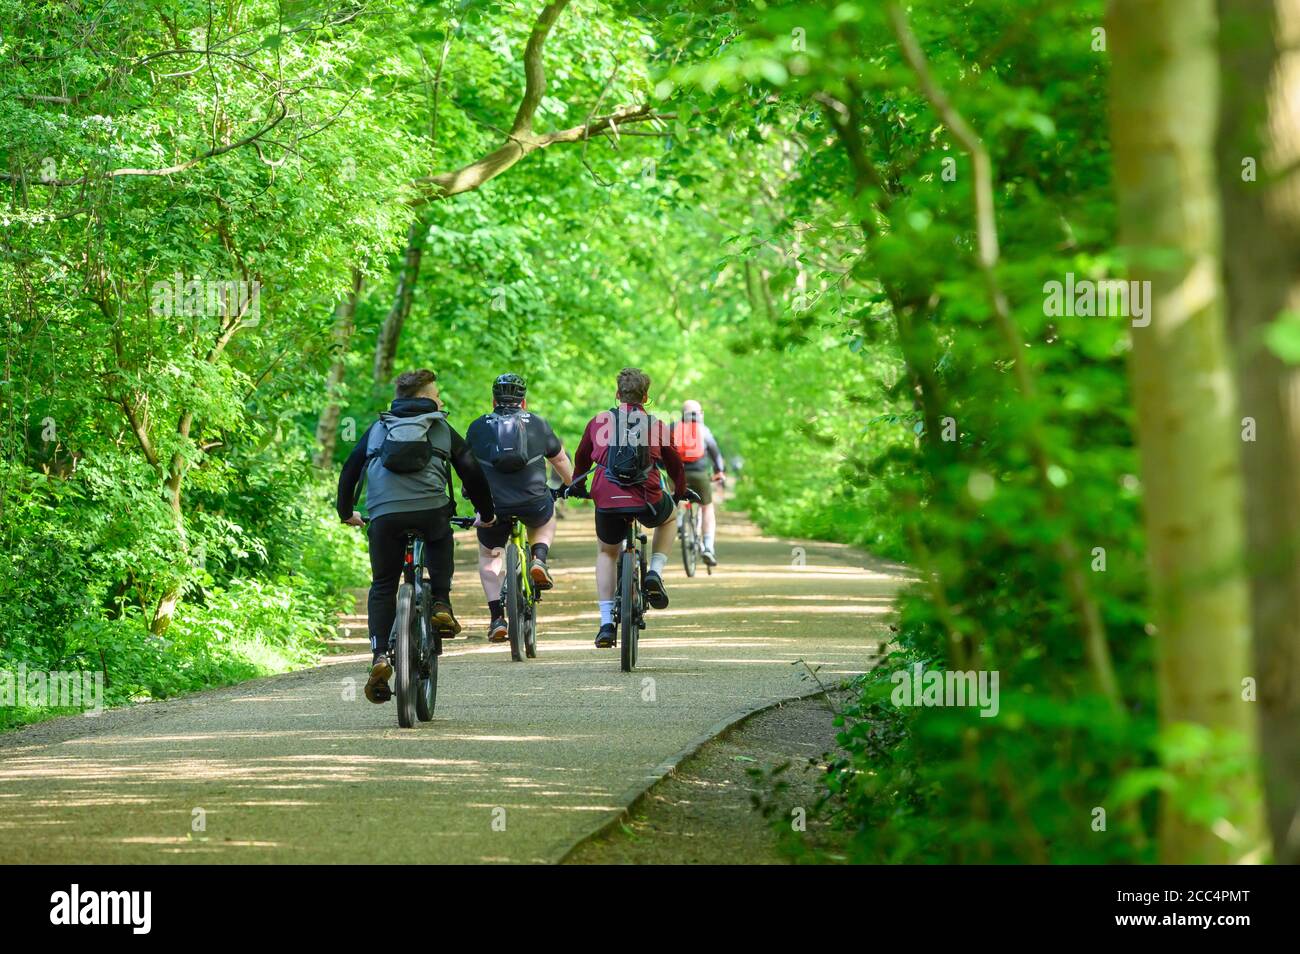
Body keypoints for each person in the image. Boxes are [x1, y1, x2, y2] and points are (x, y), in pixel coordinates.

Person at [337, 369, 496, 704]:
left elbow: (350, 468)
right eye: (436, 394)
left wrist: (346, 511)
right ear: (424, 398)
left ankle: (380, 655)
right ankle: (440, 601)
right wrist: (486, 512)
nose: (440, 399)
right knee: (440, 535)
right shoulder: (439, 427)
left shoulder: (380, 427)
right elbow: (471, 469)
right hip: (430, 511)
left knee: (383, 584)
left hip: (384, 516)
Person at [570, 367, 691, 648]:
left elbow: (581, 458)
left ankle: (605, 623)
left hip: (608, 499)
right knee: (669, 517)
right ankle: (655, 572)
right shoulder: (657, 425)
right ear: (646, 397)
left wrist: (577, 486)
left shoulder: (599, 422)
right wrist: (681, 491)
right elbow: (674, 464)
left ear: (617, 394)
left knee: (606, 551)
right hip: (647, 498)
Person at [466, 373, 574, 641]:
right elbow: (559, 460)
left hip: (493, 507)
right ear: (523, 402)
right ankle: (539, 558)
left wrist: (468, 493)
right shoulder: (537, 423)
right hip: (533, 502)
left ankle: (496, 618)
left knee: (490, 556)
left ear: (493, 400)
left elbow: (467, 467)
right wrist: (574, 485)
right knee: (546, 517)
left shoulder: (477, 427)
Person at [670, 399, 726, 566]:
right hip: (699, 474)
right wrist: (719, 472)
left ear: (682, 413)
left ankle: (679, 519)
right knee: (707, 507)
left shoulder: (672, 428)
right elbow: (716, 454)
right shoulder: (704, 430)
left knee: (674, 497)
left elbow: (659, 451)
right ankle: (708, 547)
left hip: (676, 476)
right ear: (700, 414)